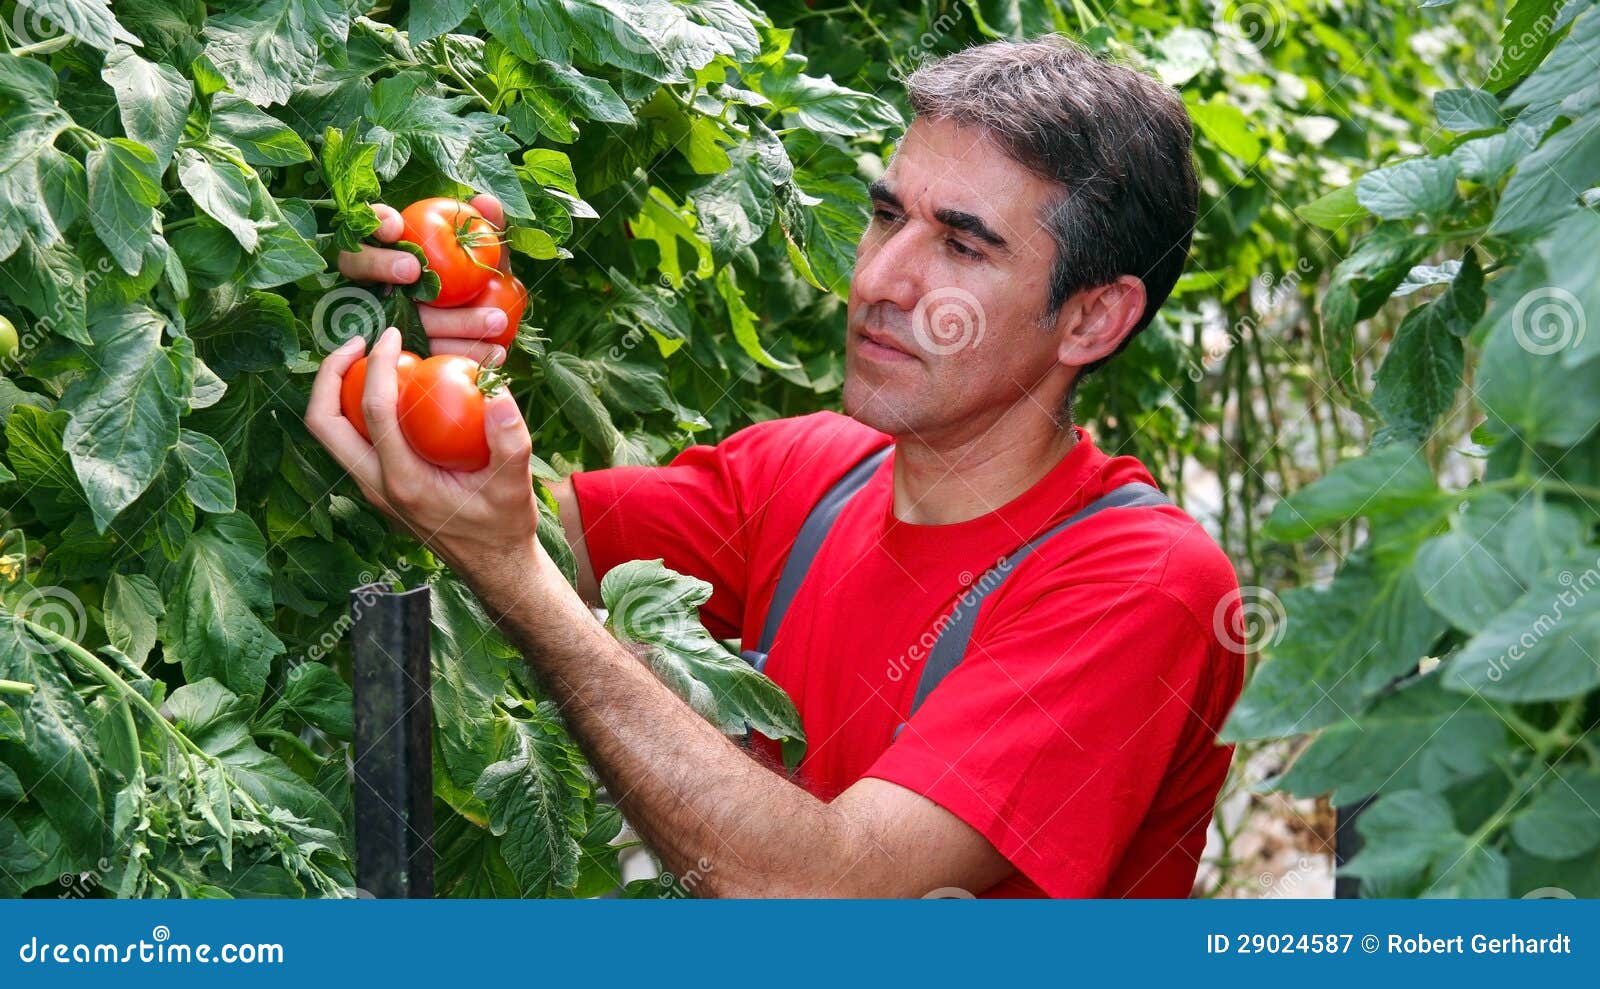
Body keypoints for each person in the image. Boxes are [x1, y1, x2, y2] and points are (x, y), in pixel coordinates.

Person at [306, 36, 1244, 897]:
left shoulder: (1142, 584)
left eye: (962, 246)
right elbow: (495, 512)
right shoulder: (808, 473)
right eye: (886, 216)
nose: (878, 280)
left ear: (1092, 318)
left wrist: (519, 580)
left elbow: (817, 896)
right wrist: (422, 347)